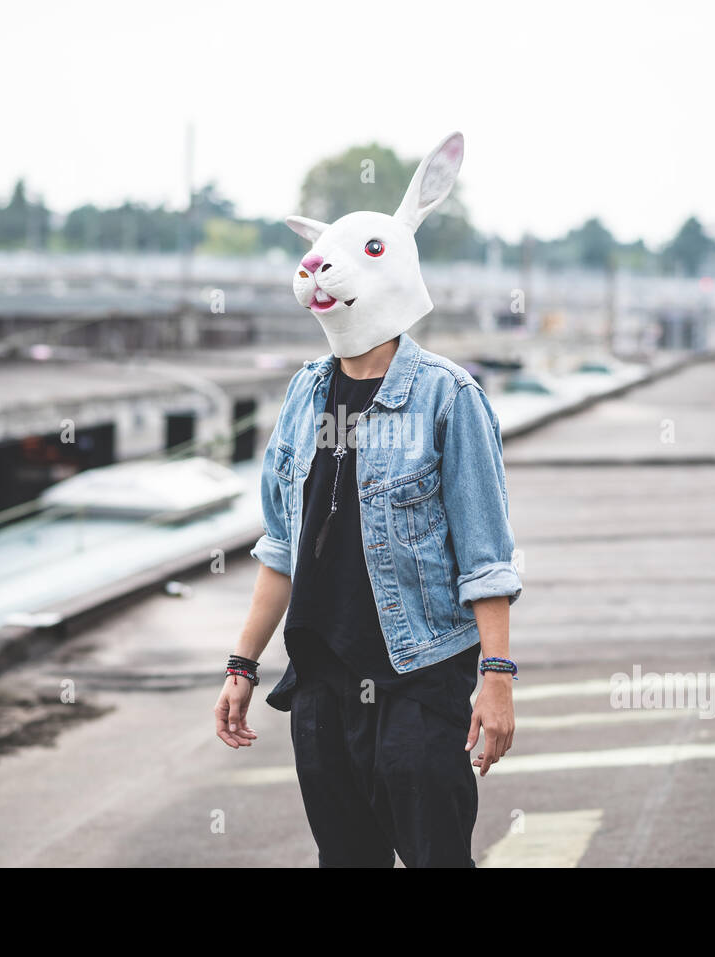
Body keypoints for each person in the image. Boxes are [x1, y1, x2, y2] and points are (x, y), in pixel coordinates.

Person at [213, 132, 522, 868]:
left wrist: (499, 679)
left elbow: (486, 557)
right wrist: (241, 664)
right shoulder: (302, 393)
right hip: (320, 688)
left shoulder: (450, 398)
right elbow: (281, 547)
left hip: (419, 683)